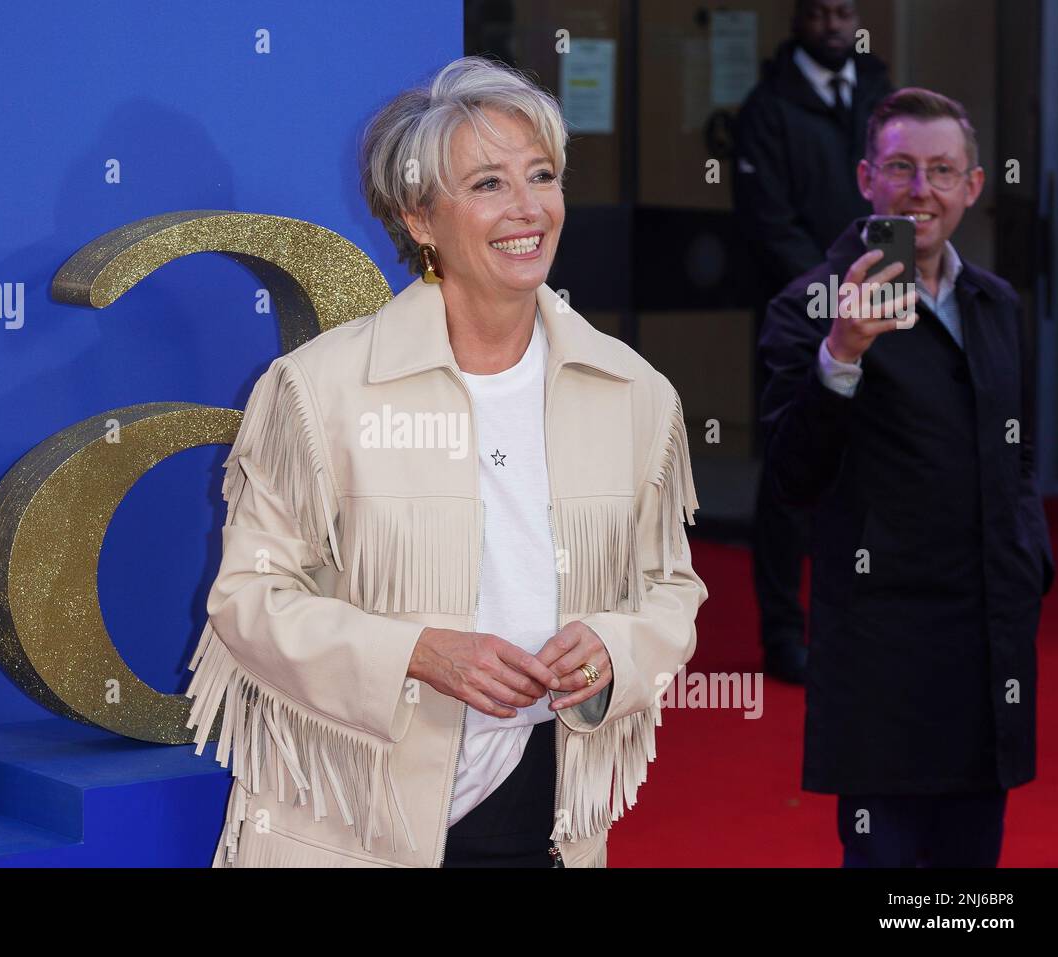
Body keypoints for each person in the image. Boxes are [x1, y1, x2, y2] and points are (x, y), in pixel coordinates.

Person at [184, 55, 707, 868]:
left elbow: (672, 589)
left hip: (547, 808)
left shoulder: (632, 390)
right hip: (353, 812)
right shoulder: (320, 388)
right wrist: (419, 653)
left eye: (542, 175)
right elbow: (248, 599)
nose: (528, 208)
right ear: (419, 218)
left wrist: (614, 646)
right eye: (489, 184)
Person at [759, 87, 1055, 867]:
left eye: (941, 170)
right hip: (883, 658)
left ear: (972, 186)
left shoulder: (997, 305)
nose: (921, 189)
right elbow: (791, 476)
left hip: (987, 643)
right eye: (901, 167)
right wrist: (842, 354)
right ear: (866, 179)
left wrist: (1029, 558)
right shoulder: (808, 309)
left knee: (968, 881)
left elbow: (1019, 452)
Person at [734, 0, 892, 683]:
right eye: (821, 12)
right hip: (797, 319)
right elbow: (768, 221)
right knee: (790, 475)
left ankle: (860, 623)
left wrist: (881, 286)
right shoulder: (767, 108)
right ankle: (782, 634)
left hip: (880, 312)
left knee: (876, 469)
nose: (834, 24)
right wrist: (830, 293)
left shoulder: (882, 95)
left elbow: (897, 202)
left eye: (844, 11)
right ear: (797, 20)